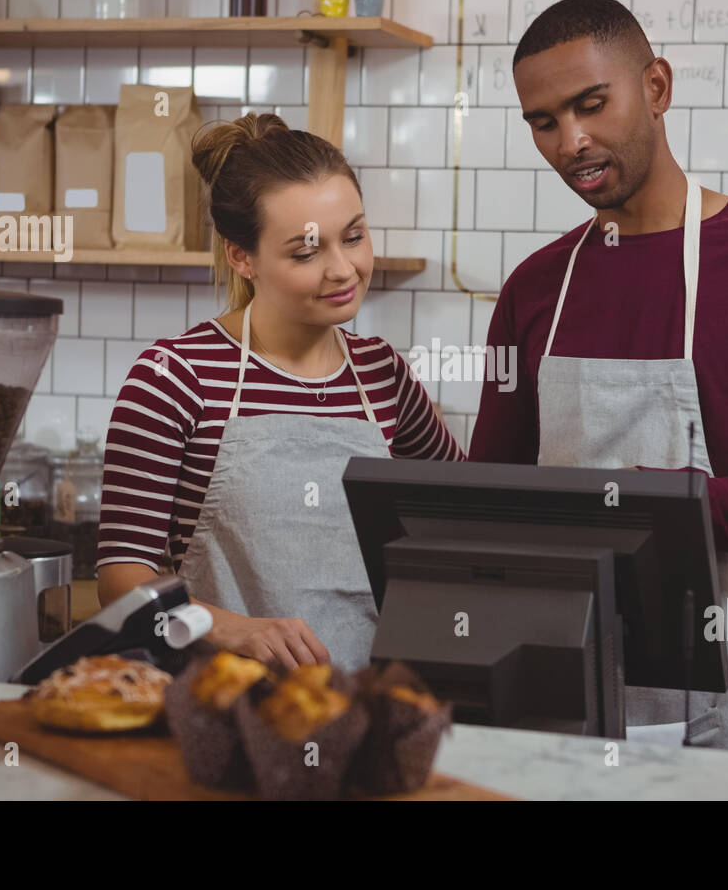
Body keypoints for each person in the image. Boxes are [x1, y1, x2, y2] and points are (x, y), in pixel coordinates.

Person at [469, 0, 728, 752]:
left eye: (591, 105)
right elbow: (493, 492)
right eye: (543, 122)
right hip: (548, 693)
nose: (571, 142)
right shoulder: (533, 288)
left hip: (705, 705)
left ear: (656, 87)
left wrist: (651, 506)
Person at [96, 113, 463, 672]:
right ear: (242, 257)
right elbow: (123, 583)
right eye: (306, 252)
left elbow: (461, 522)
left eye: (355, 237)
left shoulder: (383, 375)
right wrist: (232, 630)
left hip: (368, 707)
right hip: (219, 707)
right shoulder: (175, 377)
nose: (343, 270)